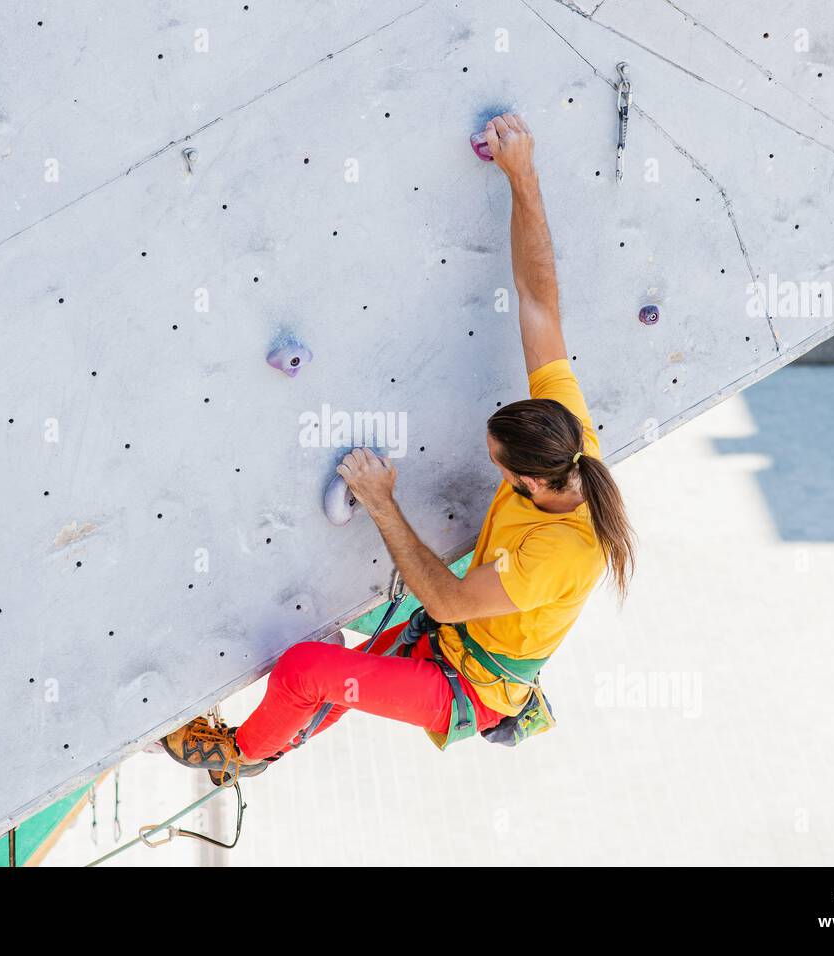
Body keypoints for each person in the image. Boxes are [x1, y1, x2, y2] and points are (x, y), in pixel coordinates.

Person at [162, 113, 636, 781]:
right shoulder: (568, 433)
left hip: (469, 686)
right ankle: (279, 734)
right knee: (343, 674)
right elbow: (538, 302)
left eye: (500, 467)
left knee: (306, 670)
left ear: (532, 483)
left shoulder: (558, 557)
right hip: (459, 637)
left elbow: (445, 603)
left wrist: (383, 502)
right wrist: (522, 176)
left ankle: (241, 754)